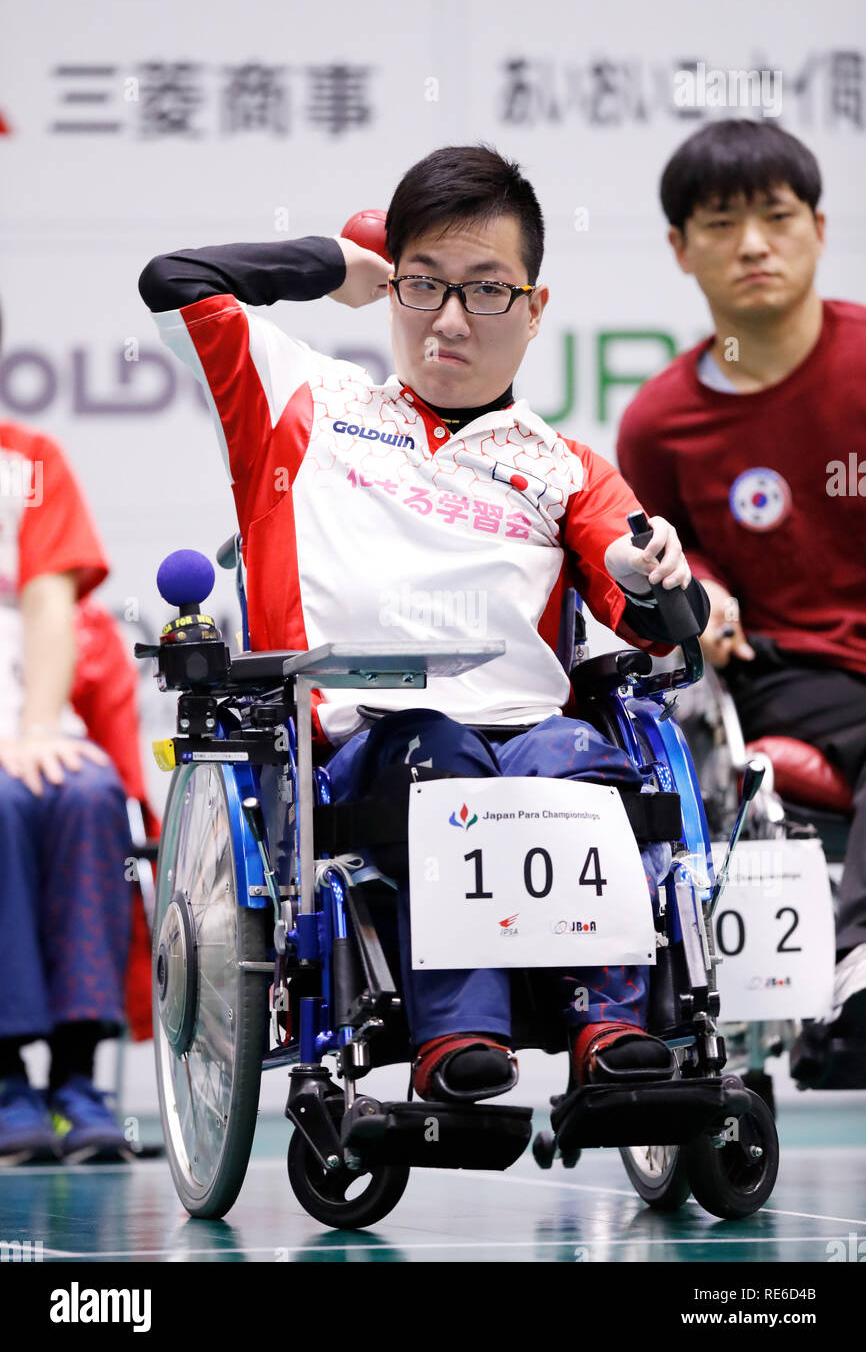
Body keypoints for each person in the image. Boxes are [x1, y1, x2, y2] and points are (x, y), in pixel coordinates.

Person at [139, 144, 709, 1101]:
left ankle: (607, 1024)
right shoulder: (302, 399)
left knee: (574, 751)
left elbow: (651, 616)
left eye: (486, 291)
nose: (449, 320)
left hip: (531, 740)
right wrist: (336, 265)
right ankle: (458, 1037)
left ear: (536, 310)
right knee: (438, 749)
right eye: (425, 286)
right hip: (367, 749)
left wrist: (646, 575)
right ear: (392, 284)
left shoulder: (564, 466)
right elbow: (173, 281)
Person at [616, 119, 866, 1084]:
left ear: (818, 227)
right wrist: (704, 593)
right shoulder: (663, 422)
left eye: (776, 216)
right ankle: (852, 976)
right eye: (723, 223)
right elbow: (664, 567)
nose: (754, 244)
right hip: (791, 672)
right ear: (682, 248)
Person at [0, 418, 135, 1160]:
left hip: (28, 713)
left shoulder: (27, 458)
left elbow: (52, 599)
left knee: (88, 792)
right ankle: (6, 1078)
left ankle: (77, 1078)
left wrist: (39, 727)